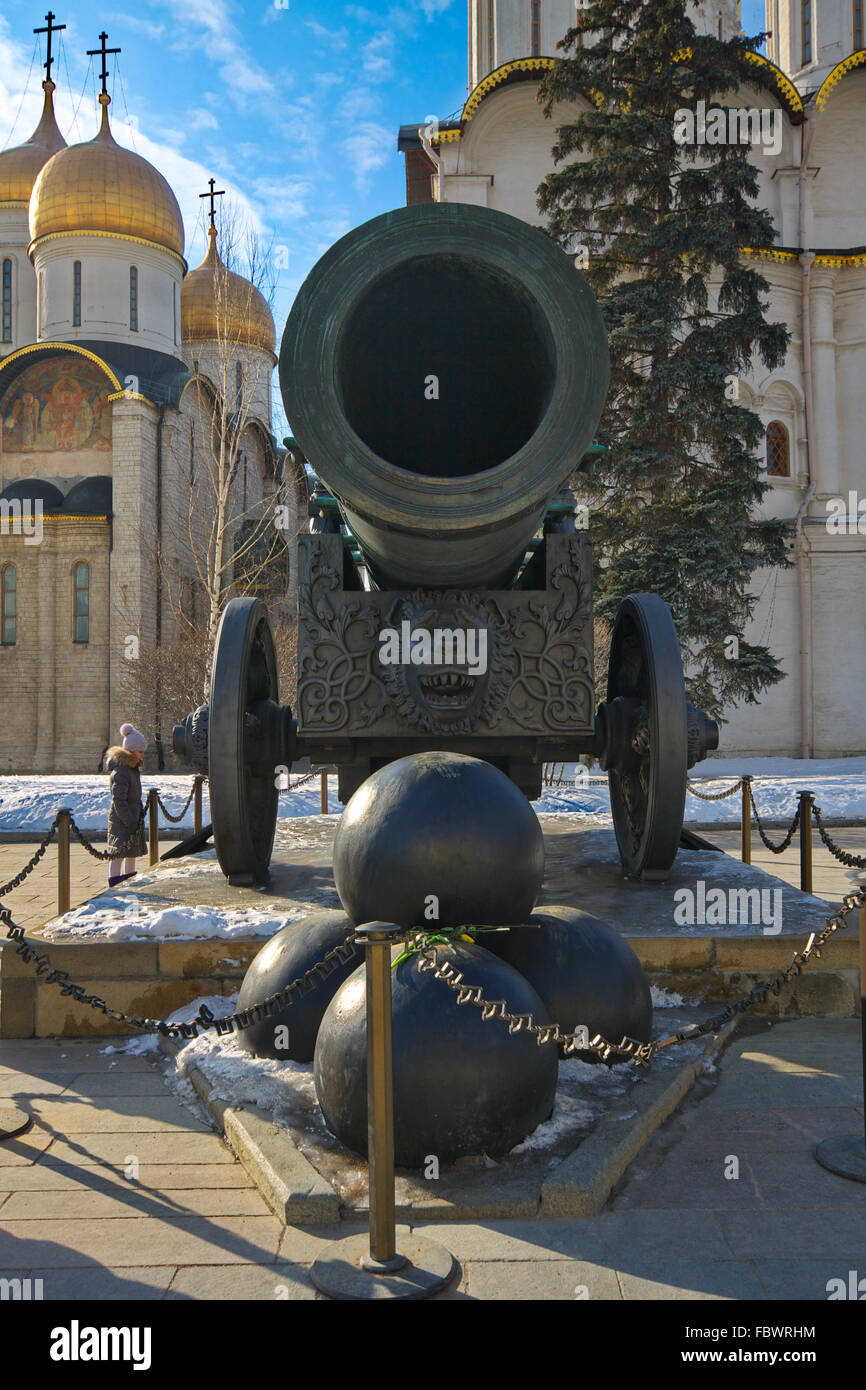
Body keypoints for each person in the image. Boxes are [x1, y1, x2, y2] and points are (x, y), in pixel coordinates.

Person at [106, 724, 148, 887]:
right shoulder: (122, 771)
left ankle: (130, 882)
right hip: (122, 819)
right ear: (131, 751)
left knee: (131, 852)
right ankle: (115, 886)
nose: (142, 755)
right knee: (119, 854)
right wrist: (129, 820)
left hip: (132, 817)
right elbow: (119, 800)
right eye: (140, 752)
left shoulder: (132, 769)